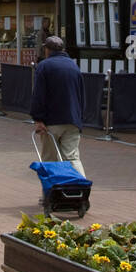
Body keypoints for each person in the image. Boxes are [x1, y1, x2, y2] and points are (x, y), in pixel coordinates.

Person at [31, 35, 88, 178]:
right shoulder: (73, 66)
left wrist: (38, 119)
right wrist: (80, 118)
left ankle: (51, 192)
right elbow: (81, 94)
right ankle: (81, 188)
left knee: (49, 159)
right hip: (72, 120)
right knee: (72, 157)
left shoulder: (44, 66)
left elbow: (38, 95)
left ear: (47, 50)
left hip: (51, 121)